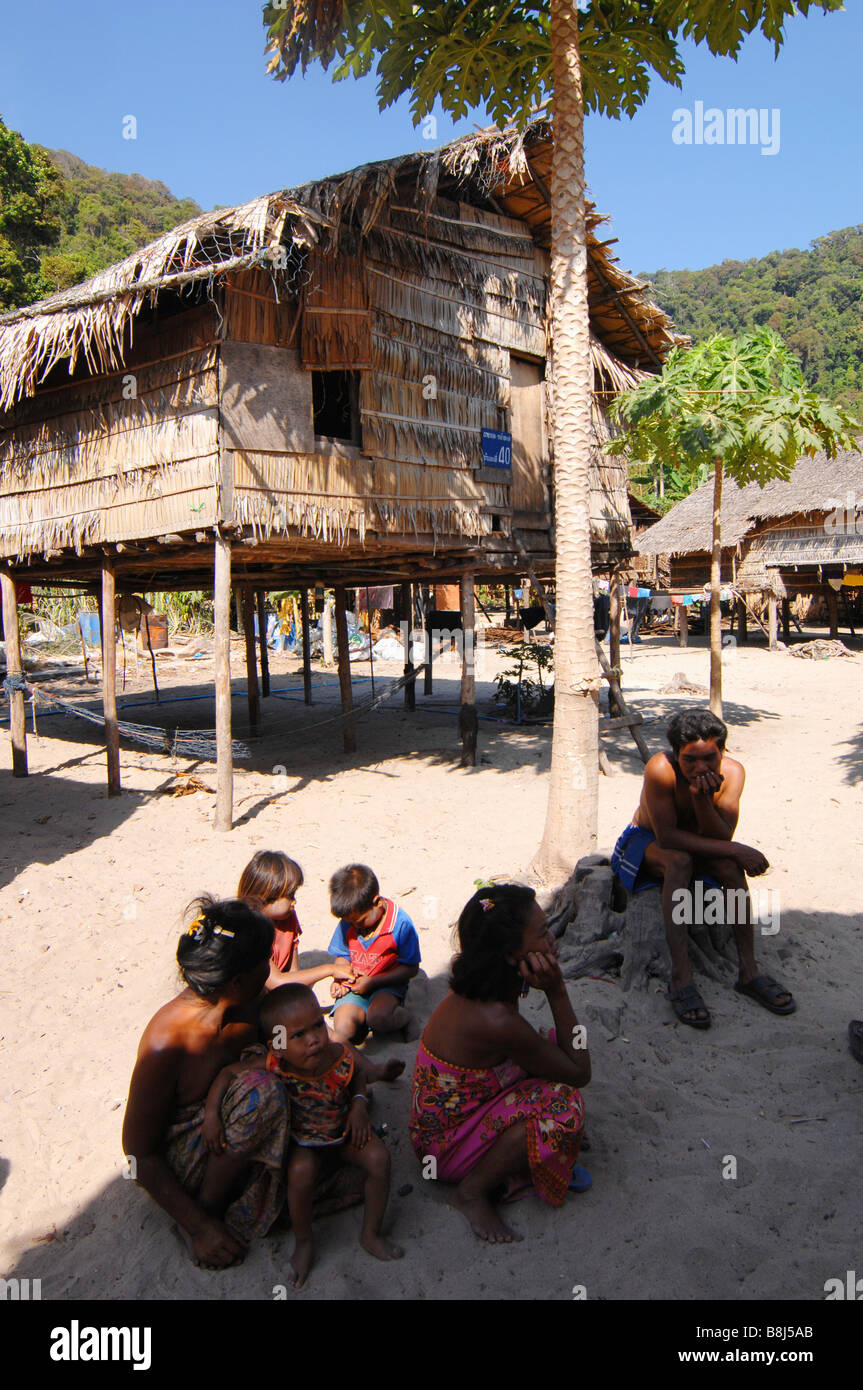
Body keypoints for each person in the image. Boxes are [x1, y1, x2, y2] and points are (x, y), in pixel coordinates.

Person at [410, 885, 589, 1245]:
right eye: (542, 932)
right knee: (564, 1106)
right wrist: (558, 992)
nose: (551, 938)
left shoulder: (481, 989)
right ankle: (471, 1192)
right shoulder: (496, 1019)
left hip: (442, 1119)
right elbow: (580, 1072)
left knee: (549, 1045)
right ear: (510, 954)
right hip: (443, 1147)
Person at [122, 896, 287, 1271]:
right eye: (265, 958)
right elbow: (137, 1154)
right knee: (262, 1093)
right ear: (237, 980)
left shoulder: (250, 1003)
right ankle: (211, 1208)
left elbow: (292, 1037)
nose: (271, 965)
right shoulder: (167, 1043)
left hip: (232, 1135)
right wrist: (199, 1227)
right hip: (192, 1158)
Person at [206, 983, 403, 1288]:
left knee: (379, 1159)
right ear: (278, 1045)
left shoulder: (337, 1055)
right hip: (305, 1142)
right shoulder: (276, 1064)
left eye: (317, 1026)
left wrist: (359, 1105)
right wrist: (211, 1116)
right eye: (298, 1035)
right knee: (299, 1173)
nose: (313, 1040)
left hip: (343, 1131)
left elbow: (357, 1079)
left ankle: (371, 1234)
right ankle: (305, 1242)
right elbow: (228, 1073)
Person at [610, 708, 795, 1029]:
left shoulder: (734, 773)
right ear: (675, 755)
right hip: (647, 843)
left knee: (730, 868)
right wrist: (737, 850)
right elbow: (666, 836)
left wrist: (701, 800)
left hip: (700, 841)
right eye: (689, 760)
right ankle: (681, 976)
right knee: (680, 861)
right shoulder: (660, 770)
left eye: (709, 758)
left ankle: (749, 971)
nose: (700, 767)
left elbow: (721, 835)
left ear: (723, 752)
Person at [237, 849, 357, 992]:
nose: (294, 902)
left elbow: (293, 971)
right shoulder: (251, 931)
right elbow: (276, 981)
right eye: (289, 896)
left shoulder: (288, 918)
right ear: (266, 898)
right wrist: (330, 969)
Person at [328, 863, 420, 1042]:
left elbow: (411, 968)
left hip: (387, 985)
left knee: (379, 1018)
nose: (355, 926)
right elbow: (342, 956)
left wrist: (373, 981)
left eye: (360, 921)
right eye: (350, 922)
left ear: (377, 903)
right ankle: (359, 1023)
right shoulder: (350, 920)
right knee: (343, 1028)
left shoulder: (400, 925)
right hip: (355, 984)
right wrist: (340, 978)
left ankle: (406, 1018)